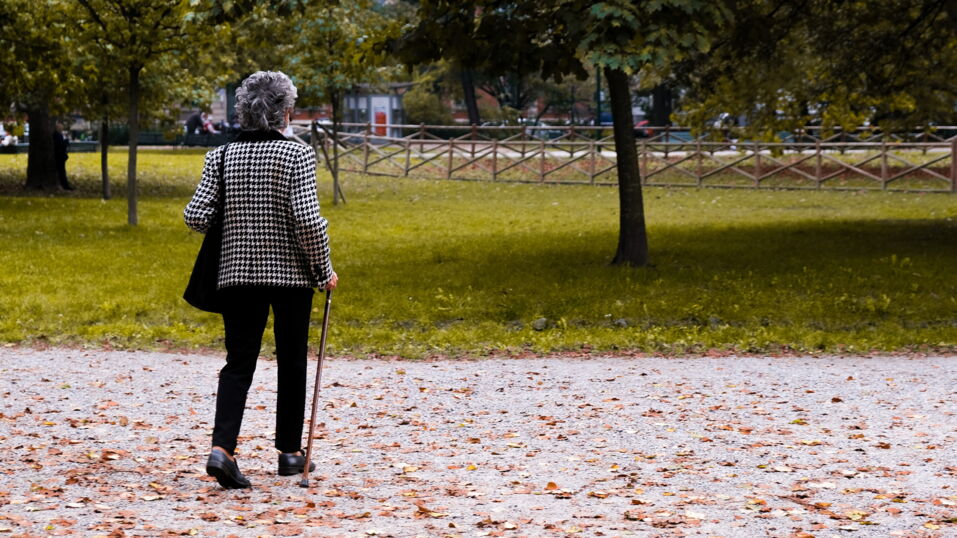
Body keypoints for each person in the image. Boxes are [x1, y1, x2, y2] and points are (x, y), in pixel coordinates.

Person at [184, 70, 338, 489]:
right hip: (291, 276)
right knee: (291, 361)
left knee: (238, 363)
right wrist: (324, 269)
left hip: (236, 273)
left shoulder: (220, 157)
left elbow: (196, 216)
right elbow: (307, 221)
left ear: (244, 111)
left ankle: (222, 449)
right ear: (285, 112)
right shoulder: (297, 155)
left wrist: (238, 213)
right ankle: (290, 453)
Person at [53, 121, 73, 190]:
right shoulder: (58, 135)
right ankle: (65, 186)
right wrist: (66, 141)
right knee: (61, 172)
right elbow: (61, 145)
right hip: (59, 156)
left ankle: (64, 185)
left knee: (61, 171)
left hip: (59, 156)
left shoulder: (57, 135)